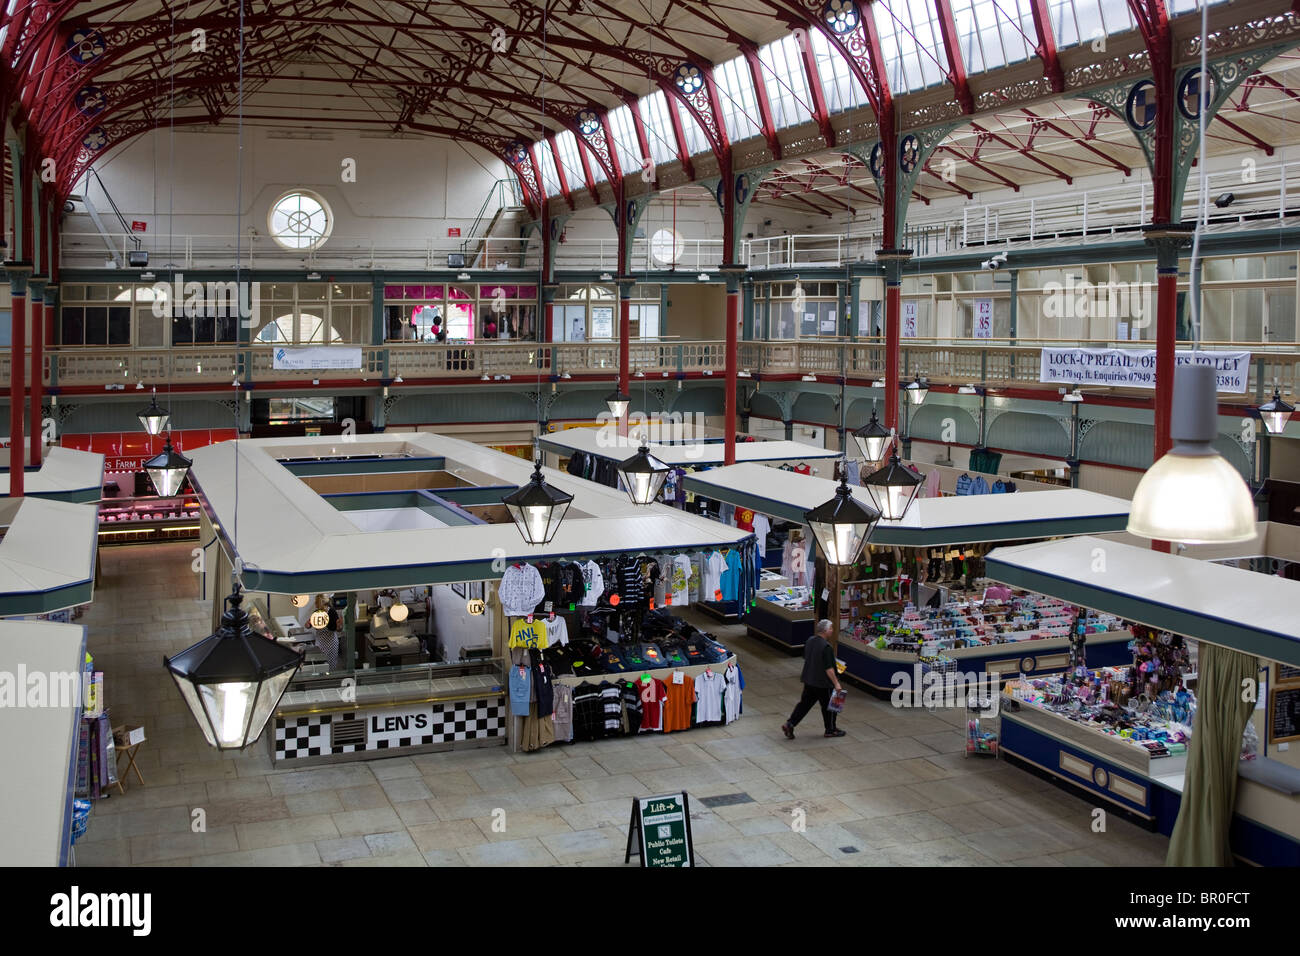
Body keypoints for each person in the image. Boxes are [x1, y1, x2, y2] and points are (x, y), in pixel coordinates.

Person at [782, 619, 845, 739]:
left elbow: (807, 657)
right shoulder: (827, 647)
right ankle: (830, 729)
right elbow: (829, 669)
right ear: (825, 631)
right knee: (830, 707)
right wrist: (836, 683)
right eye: (831, 628)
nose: (832, 631)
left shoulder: (810, 641)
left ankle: (790, 723)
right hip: (823, 683)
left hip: (809, 679)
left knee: (804, 705)